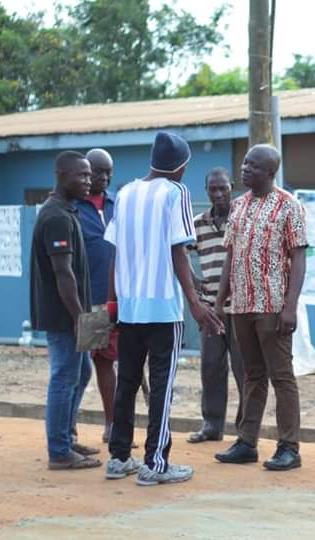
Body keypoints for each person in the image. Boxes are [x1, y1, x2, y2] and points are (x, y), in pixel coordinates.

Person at [104, 131, 224, 486]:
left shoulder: (125, 193)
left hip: (129, 308)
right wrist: (195, 304)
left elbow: (115, 253)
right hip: (163, 311)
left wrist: (112, 303)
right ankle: (155, 464)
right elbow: (178, 251)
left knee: (127, 383)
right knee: (161, 387)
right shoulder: (176, 192)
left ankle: (118, 457)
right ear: (181, 166)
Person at [213, 144, 308, 471]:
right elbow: (230, 255)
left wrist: (290, 306)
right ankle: (246, 442)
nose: (245, 169)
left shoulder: (289, 205)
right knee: (252, 374)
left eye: (253, 165)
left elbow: (298, 258)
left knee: (281, 376)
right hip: (241, 305)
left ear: (270, 172)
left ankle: (289, 448)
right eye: (244, 163)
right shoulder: (238, 205)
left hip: (272, 304)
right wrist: (219, 300)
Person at [30, 150, 101, 470]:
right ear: (61, 175)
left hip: (74, 313)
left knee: (81, 372)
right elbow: (63, 273)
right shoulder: (56, 216)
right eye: (82, 175)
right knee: (64, 376)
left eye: (89, 175)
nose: (89, 180)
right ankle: (59, 451)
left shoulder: (67, 210)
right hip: (64, 316)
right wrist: (78, 319)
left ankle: (66, 438)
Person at [187, 167, 245, 443]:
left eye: (223, 188)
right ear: (206, 191)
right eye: (213, 189)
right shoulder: (197, 223)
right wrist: (193, 280)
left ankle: (246, 429)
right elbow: (178, 253)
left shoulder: (242, 219)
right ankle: (212, 425)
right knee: (210, 367)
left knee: (244, 369)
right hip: (210, 308)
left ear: (232, 186)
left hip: (242, 308)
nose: (218, 194)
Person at [75, 148, 119, 445]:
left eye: (108, 172)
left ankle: (114, 425)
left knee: (114, 361)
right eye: (98, 171)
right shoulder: (74, 208)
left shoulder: (118, 205)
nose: (104, 177)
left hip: (121, 299)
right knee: (85, 366)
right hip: (89, 300)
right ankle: (72, 429)